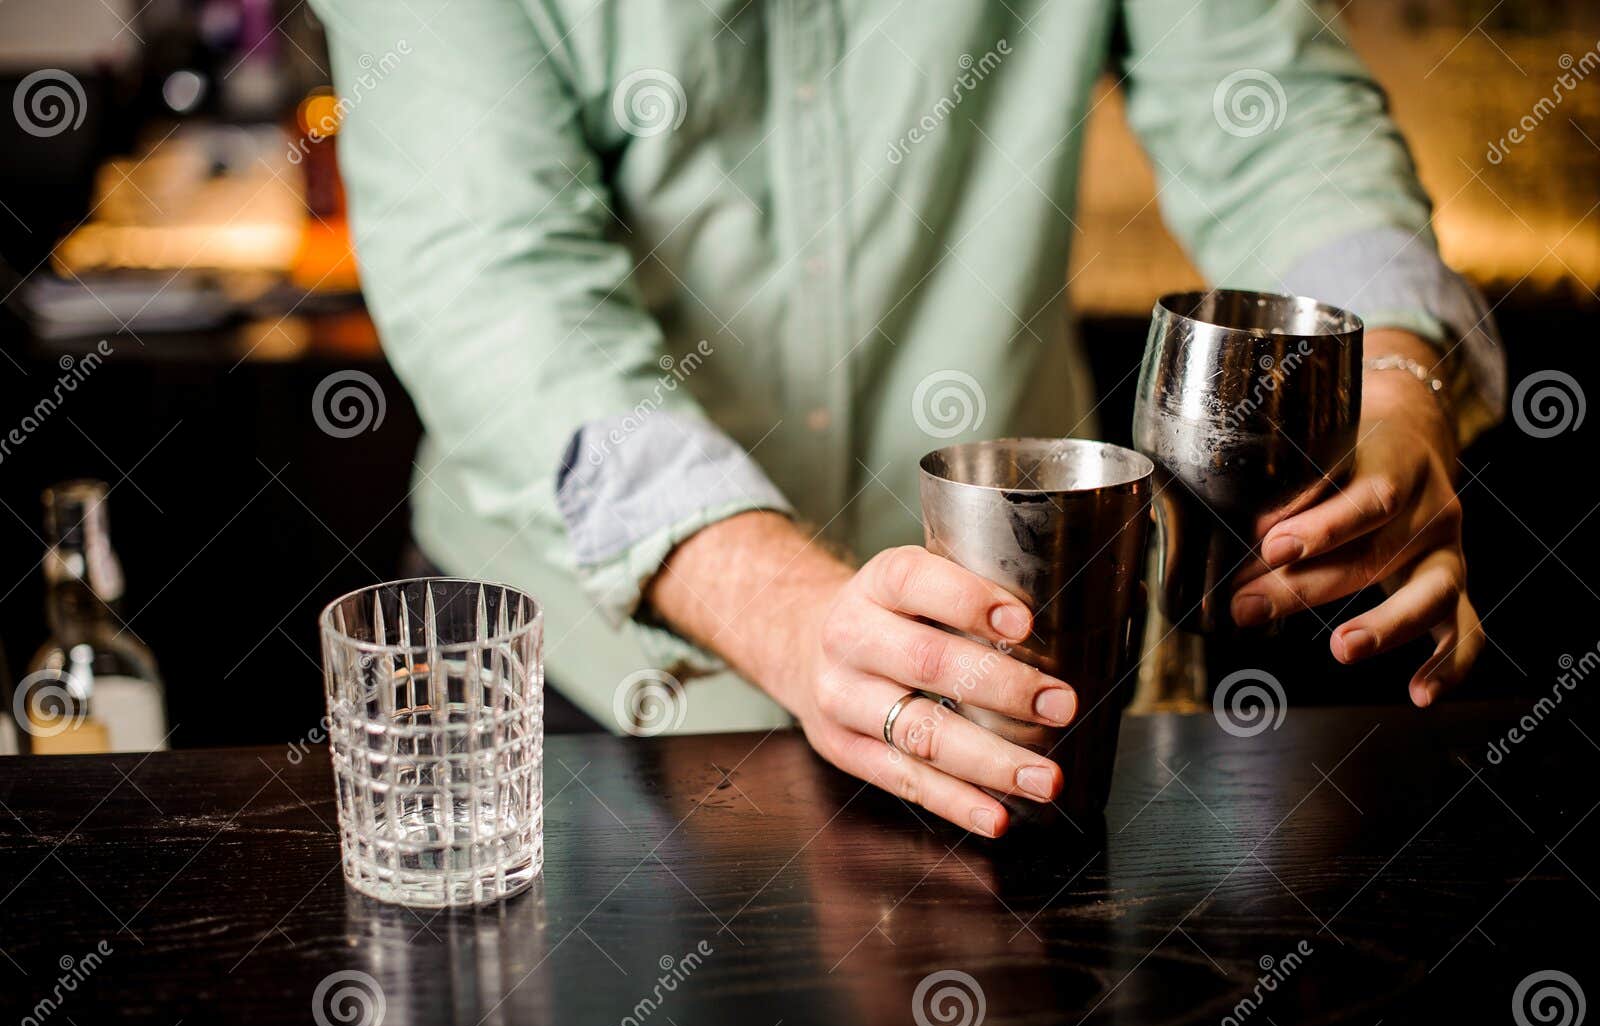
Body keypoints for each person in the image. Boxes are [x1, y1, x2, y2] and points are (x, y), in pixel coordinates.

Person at [312, 0, 1501, 837]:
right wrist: (778, 607)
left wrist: (1397, 375)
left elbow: (1275, 113)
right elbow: (495, 280)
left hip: (1033, 674)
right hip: (582, 690)